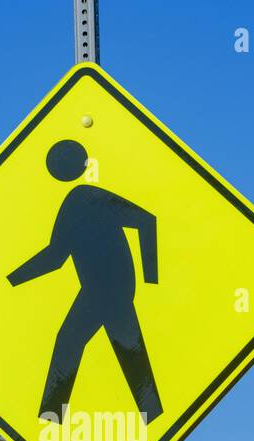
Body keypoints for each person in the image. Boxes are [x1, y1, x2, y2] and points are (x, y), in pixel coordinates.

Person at [8, 139, 163, 425]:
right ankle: (152, 414)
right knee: (126, 346)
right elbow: (56, 256)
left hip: (106, 287)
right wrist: (12, 280)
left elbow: (146, 221)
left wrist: (151, 277)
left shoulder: (86, 197)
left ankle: (51, 418)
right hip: (104, 288)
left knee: (70, 341)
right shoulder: (77, 201)